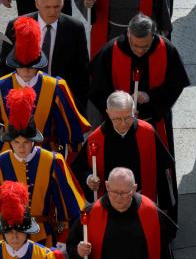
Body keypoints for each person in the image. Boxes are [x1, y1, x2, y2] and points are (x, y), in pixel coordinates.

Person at [0, 87, 86, 247]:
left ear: (33, 141)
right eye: (16, 142)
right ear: (9, 142)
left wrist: (63, 239)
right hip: (9, 237)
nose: (21, 147)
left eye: (26, 142)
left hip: (44, 236)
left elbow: (68, 204)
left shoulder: (52, 161)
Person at [89, 14, 190, 157]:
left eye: (145, 46)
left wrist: (150, 96)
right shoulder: (111, 51)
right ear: (129, 34)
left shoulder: (166, 49)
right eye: (135, 45)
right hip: (119, 125)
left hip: (154, 120)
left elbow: (175, 85)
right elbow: (97, 89)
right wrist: (120, 108)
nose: (140, 51)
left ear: (153, 36)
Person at [73, 90, 177, 218]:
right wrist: (89, 179)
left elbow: (162, 169)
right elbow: (78, 169)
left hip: (141, 202)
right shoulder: (96, 140)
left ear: (134, 112)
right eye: (117, 119)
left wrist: (165, 206)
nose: (123, 123)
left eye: (128, 117)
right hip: (109, 204)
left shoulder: (147, 132)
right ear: (108, 113)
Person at [0, 16, 90, 158]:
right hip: (9, 157)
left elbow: (71, 130)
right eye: (21, 66)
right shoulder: (0, 86)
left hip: (46, 157)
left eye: (32, 66)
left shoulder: (56, 87)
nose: (27, 71)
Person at [0, 0, 89, 109]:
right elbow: (5, 67)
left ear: (63, 2)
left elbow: (82, 72)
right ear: (37, 3)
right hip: (24, 101)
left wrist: (76, 106)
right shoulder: (18, 26)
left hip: (60, 103)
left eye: (57, 6)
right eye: (47, 7)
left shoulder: (75, 28)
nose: (52, 11)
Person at [75, 0, 172, 58]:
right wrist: (86, 1)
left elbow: (162, 0)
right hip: (109, 33)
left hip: (143, 35)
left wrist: (164, 29)